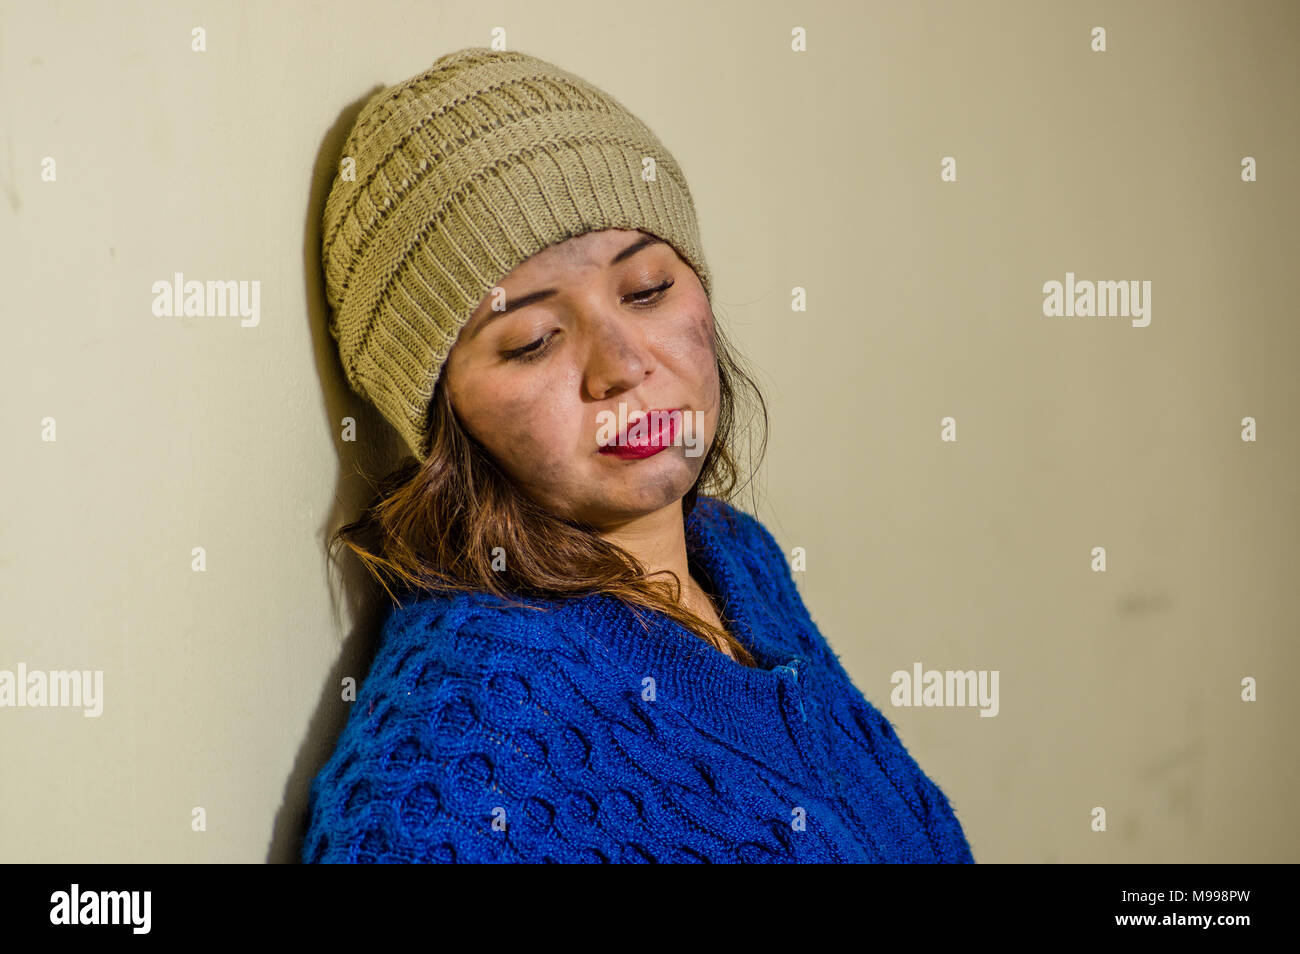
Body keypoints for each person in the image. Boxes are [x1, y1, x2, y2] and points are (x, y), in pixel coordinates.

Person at [302, 46, 975, 863]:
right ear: (446, 418)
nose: (622, 365)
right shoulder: (468, 731)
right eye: (533, 340)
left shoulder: (735, 558)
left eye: (648, 289)